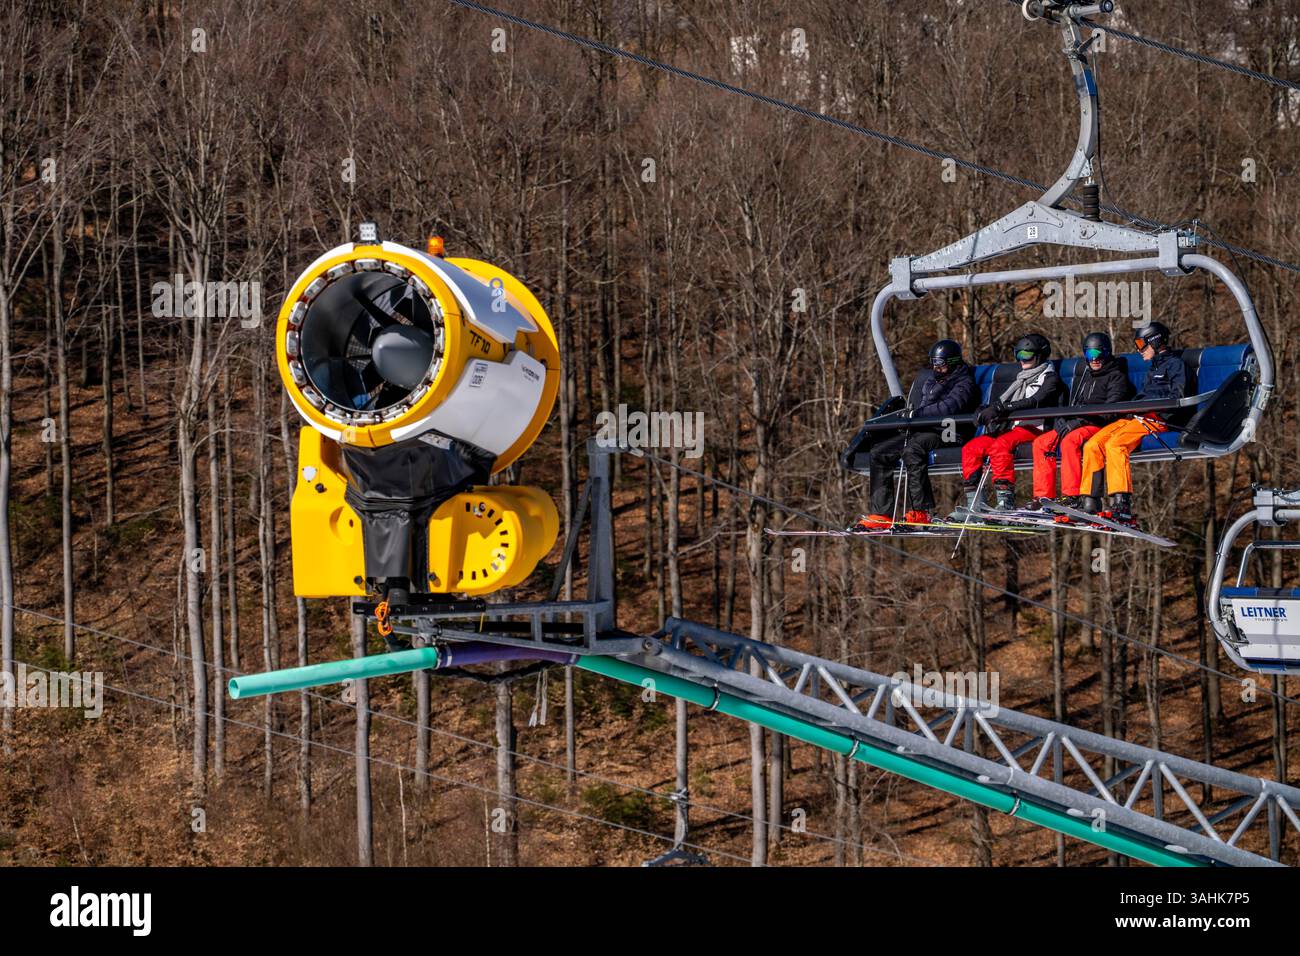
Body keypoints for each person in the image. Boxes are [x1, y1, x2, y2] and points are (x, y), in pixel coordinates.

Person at [857, 339, 979, 529]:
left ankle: (921, 511)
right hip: (924, 429)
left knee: (913, 450)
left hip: (950, 432)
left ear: (953, 362)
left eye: (940, 363)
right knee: (880, 452)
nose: (935, 367)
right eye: (933, 363)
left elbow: (949, 407)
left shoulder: (964, 382)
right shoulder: (932, 380)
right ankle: (881, 513)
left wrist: (917, 415)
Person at [1078, 321, 1186, 523]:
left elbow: (1177, 396)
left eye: (1141, 344)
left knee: (1115, 445)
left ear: (1155, 341)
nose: (1138, 350)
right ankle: (1090, 501)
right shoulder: (1153, 367)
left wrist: (1147, 407)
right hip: (1136, 417)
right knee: (1093, 444)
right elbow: (1144, 395)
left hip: (1157, 419)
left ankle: (1121, 502)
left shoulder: (1175, 365)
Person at [952, 333, 1065, 514]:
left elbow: (1035, 401)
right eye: (1018, 355)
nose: (1022, 360)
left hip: (1035, 428)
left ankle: (1005, 500)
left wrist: (1002, 408)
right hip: (1012, 428)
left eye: (1026, 355)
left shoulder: (1050, 378)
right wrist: (984, 410)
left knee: (1000, 445)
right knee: (972, 448)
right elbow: (1001, 402)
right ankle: (974, 502)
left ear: (1040, 355)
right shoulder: (1020, 379)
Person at [1028, 332, 1134, 509]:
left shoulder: (1117, 377)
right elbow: (1076, 404)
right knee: (1041, 442)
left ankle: (1073, 495)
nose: (1094, 359)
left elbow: (1111, 411)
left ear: (1107, 353)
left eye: (1098, 354)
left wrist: (1079, 422)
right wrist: (1063, 419)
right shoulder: (1086, 377)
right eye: (1089, 355)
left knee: (1070, 441)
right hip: (1079, 422)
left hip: (1099, 425)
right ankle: (1043, 497)